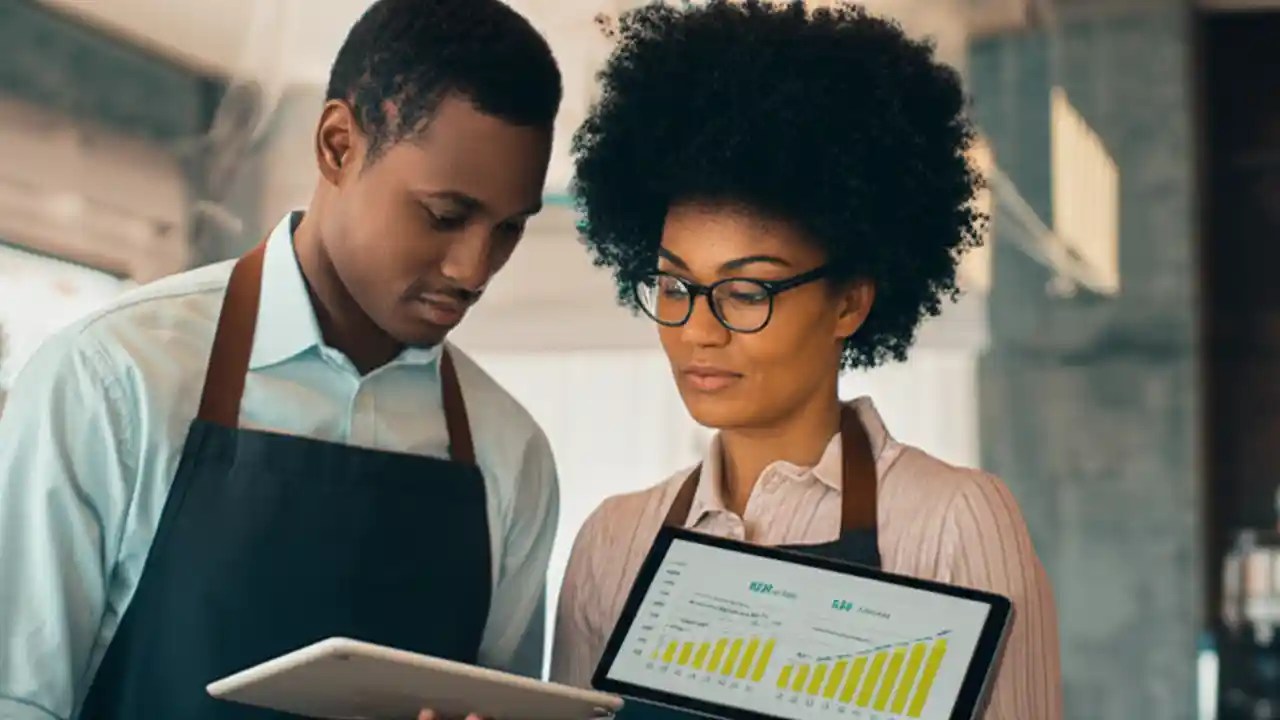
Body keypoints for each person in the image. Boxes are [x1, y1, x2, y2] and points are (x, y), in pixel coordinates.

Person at [0, 1, 562, 717]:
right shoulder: (111, 382)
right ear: (336, 145)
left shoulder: (510, 456)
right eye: (444, 215)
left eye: (508, 229)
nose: (474, 267)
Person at [550, 2, 1062, 719]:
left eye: (746, 291)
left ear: (849, 303)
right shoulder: (613, 543)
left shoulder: (953, 521)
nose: (699, 329)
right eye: (674, 286)